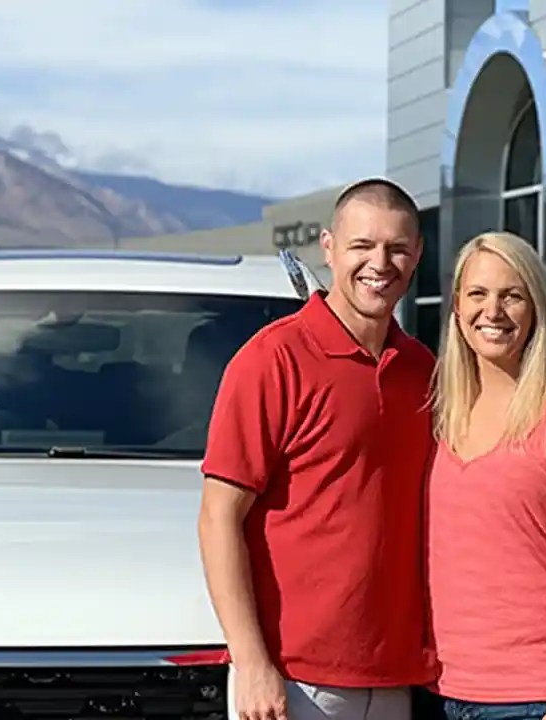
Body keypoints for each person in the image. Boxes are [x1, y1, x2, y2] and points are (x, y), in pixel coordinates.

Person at [198, 177, 436, 720]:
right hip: (294, 683)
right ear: (328, 247)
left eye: (397, 248)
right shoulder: (272, 360)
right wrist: (252, 663)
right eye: (362, 245)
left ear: (418, 254)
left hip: (397, 676)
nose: (380, 263)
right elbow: (218, 518)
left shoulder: (422, 369)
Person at [425, 231, 546, 720]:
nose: (493, 311)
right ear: (457, 307)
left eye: (512, 295)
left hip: (531, 698)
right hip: (436, 691)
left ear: (536, 308)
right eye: (478, 294)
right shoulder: (441, 411)